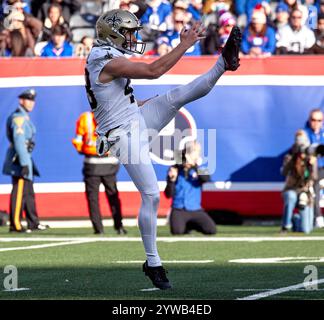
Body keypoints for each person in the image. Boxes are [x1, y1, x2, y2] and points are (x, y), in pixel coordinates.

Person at [85, 9, 241, 290]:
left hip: (135, 118)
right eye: (129, 32)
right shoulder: (102, 58)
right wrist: (184, 44)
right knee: (152, 194)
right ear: (113, 33)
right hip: (122, 135)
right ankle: (153, 262)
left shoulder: (106, 56)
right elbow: (153, 71)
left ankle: (223, 63)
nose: (133, 37)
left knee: (177, 96)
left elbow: (118, 99)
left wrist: (143, 105)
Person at [72, 111, 127, 235]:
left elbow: (78, 141)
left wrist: (83, 150)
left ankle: (99, 229)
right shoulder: (114, 116)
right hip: (109, 165)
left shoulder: (85, 118)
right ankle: (119, 227)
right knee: (113, 196)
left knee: (93, 199)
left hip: (92, 165)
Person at [2, 89, 49, 233]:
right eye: (28, 99)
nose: (31, 102)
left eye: (32, 100)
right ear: (21, 101)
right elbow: (19, 141)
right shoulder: (19, 118)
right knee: (19, 191)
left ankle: (33, 222)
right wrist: (23, 163)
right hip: (19, 160)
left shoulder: (24, 117)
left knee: (28, 192)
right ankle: (15, 224)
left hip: (26, 158)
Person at [164, 141, 216, 235]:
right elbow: (168, 195)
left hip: (195, 209)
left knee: (211, 230)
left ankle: (192, 224)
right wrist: (171, 180)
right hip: (179, 209)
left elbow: (207, 179)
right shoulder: (175, 170)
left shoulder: (200, 169)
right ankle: (185, 225)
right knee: (177, 232)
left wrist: (194, 166)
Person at [281, 130, 317, 234]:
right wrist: (292, 160)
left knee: (306, 230)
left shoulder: (310, 158)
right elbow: (283, 172)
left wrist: (311, 165)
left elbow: (314, 178)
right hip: (292, 190)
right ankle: (286, 226)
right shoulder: (290, 156)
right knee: (290, 196)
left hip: (305, 193)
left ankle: (295, 219)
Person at [304, 109, 324, 228]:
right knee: (314, 181)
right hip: (313, 168)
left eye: (319, 120)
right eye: (313, 120)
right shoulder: (304, 134)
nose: (316, 123)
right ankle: (318, 216)